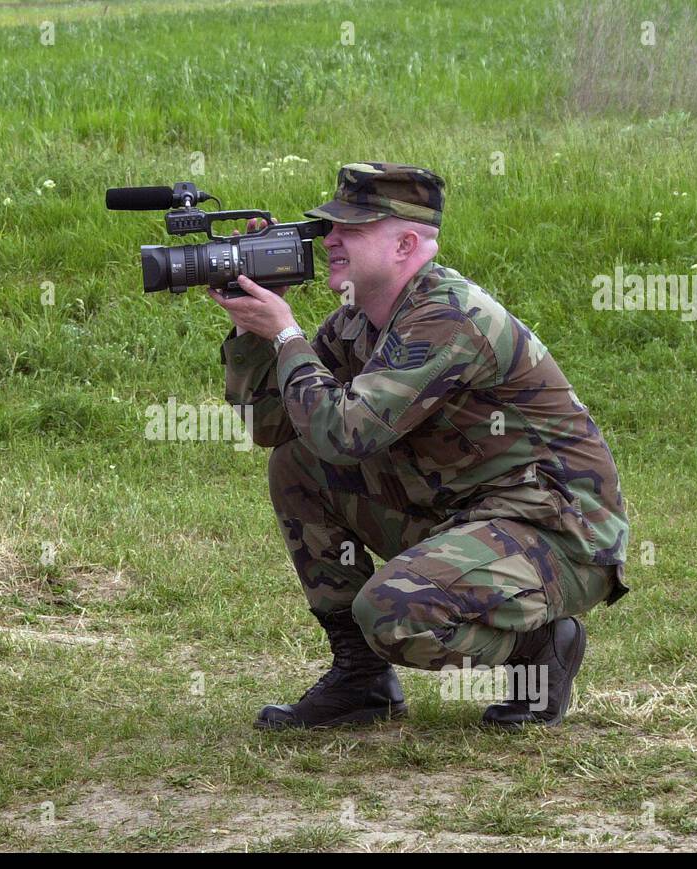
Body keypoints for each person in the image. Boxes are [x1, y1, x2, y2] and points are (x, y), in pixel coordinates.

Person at [209, 162, 629, 730]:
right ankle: (361, 679)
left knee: (393, 612)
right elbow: (276, 428)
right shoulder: (359, 320)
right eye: (329, 226)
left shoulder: (449, 318)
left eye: (350, 230)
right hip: (463, 513)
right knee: (297, 463)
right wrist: (250, 333)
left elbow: (346, 431)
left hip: (558, 532)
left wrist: (286, 334)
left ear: (406, 243)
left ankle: (538, 651)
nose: (329, 239)